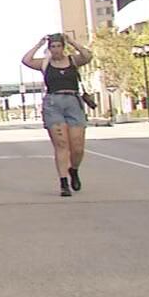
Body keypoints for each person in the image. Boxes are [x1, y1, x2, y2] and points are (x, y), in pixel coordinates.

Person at [22, 34, 93, 197]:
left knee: (77, 147)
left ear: (63, 47)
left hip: (73, 102)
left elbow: (87, 56)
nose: (55, 50)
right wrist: (39, 44)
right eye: (52, 47)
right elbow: (26, 60)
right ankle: (63, 183)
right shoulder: (45, 63)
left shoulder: (72, 60)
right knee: (61, 144)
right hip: (53, 103)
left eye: (58, 46)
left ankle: (73, 170)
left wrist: (72, 42)